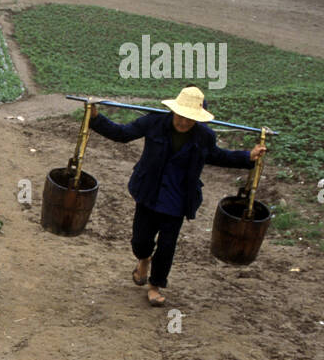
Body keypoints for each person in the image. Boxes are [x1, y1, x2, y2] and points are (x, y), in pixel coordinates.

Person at [87, 86, 267, 307]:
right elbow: (122, 134)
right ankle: (143, 259)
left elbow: (218, 156)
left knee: (167, 245)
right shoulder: (154, 122)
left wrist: (248, 156)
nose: (183, 122)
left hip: (178, 198)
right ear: (174, 111)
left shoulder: (204, 136)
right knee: (140, 240)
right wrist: (95, 118)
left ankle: (155, 285)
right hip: (148, 191)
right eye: (181, 116)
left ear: (198, 119)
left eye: (190, 119)